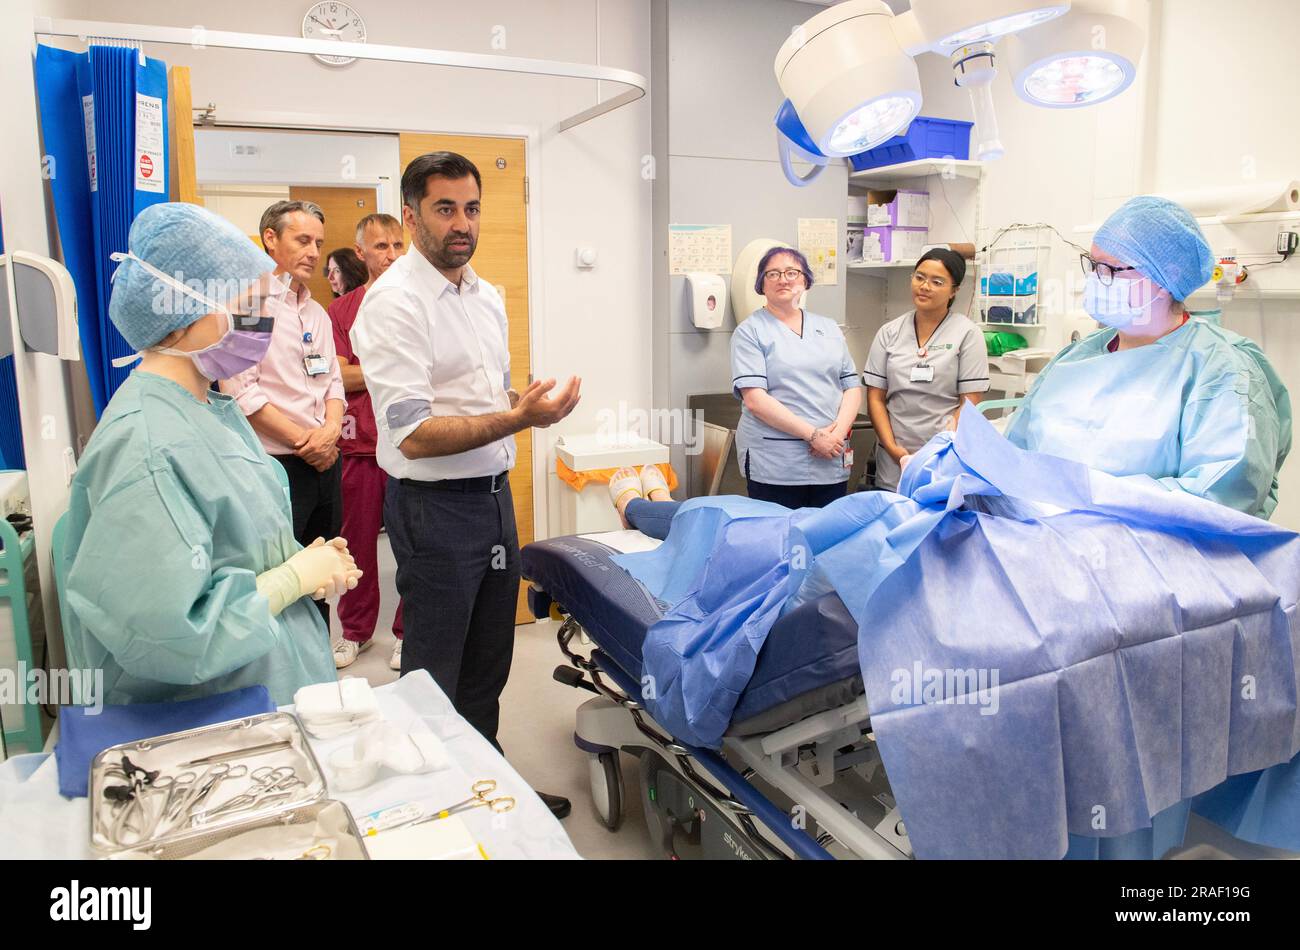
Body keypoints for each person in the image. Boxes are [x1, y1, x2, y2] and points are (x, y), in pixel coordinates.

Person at [352, 151, 580, 818]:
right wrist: (518, 416)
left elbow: (472, 397)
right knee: (433, 675)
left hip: (492, 500)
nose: (462, 223)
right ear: (411, 214)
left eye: (472, 208)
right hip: (433, 508)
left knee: (489, 664)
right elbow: (416, 433)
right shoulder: (394, 302)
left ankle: (485, 782)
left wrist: (525, 403)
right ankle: (427, 807)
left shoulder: (483, 295)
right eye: (445, 208)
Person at [60, 202, 361, 706]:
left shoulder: (209, 410)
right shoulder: (147, 447)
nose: (260, 321)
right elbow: (172, 634)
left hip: (270, 685)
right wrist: (288, 581)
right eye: (248, 305)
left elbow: (231, 548)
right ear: (184, 312)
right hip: (213, 710)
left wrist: (301, 561)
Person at [1004, 196, 1292, 519]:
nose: (1096, 279)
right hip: (1037, 541)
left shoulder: (1222, 372)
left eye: (1110, 269)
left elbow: (1218, 502)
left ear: (1165, 278)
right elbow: (1013, 457)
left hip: (1148, 558)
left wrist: (1090, 501)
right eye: (1093, 264)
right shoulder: (1074, 359)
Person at [222, 200, 347, 627]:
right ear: (270, 240)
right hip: (279, 467)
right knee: (284, 574)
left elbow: (332, 381)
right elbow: (242, 391)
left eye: (318, 242)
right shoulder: (251, 306)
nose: (313, 251)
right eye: (303, 240)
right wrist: (304, 441)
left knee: (324, 572)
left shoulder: (316, 312)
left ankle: (319, 662)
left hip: (326, 463)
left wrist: (330, 432)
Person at [330, 213, 407, 671]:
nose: (392, 255)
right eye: (381, 246)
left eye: (398, 245)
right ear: (361, 252)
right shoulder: (340, 312)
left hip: (408, 445)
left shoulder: (418, 302)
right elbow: (338, 375)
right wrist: (394, 373)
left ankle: (406, 632)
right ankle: (355, 632)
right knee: (356, 546)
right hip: (359, 447)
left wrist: (367, 375)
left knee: (409, 546)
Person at [731, 247, 863, 508]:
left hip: (830, 458)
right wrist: (813, 436)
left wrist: (835, 435)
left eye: (792, 272)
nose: (784, 279)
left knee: (824, 538)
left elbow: (851, 386)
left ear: (805, 281)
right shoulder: (750, 332)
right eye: (773, 274)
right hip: (777, 464)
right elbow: (756, 400)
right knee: (778, 540)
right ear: (761, 284)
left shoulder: (828, 328)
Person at [864, 247, 990, 490]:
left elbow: (970, 403)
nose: (924, 286)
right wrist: (893, 449)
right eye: (919, 277)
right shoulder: (889, 332)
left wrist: (936, 450)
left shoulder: (967, 334)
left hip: (942, 456)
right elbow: (875, 398)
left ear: (954, 290)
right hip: (894, 457)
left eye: (937, 281)